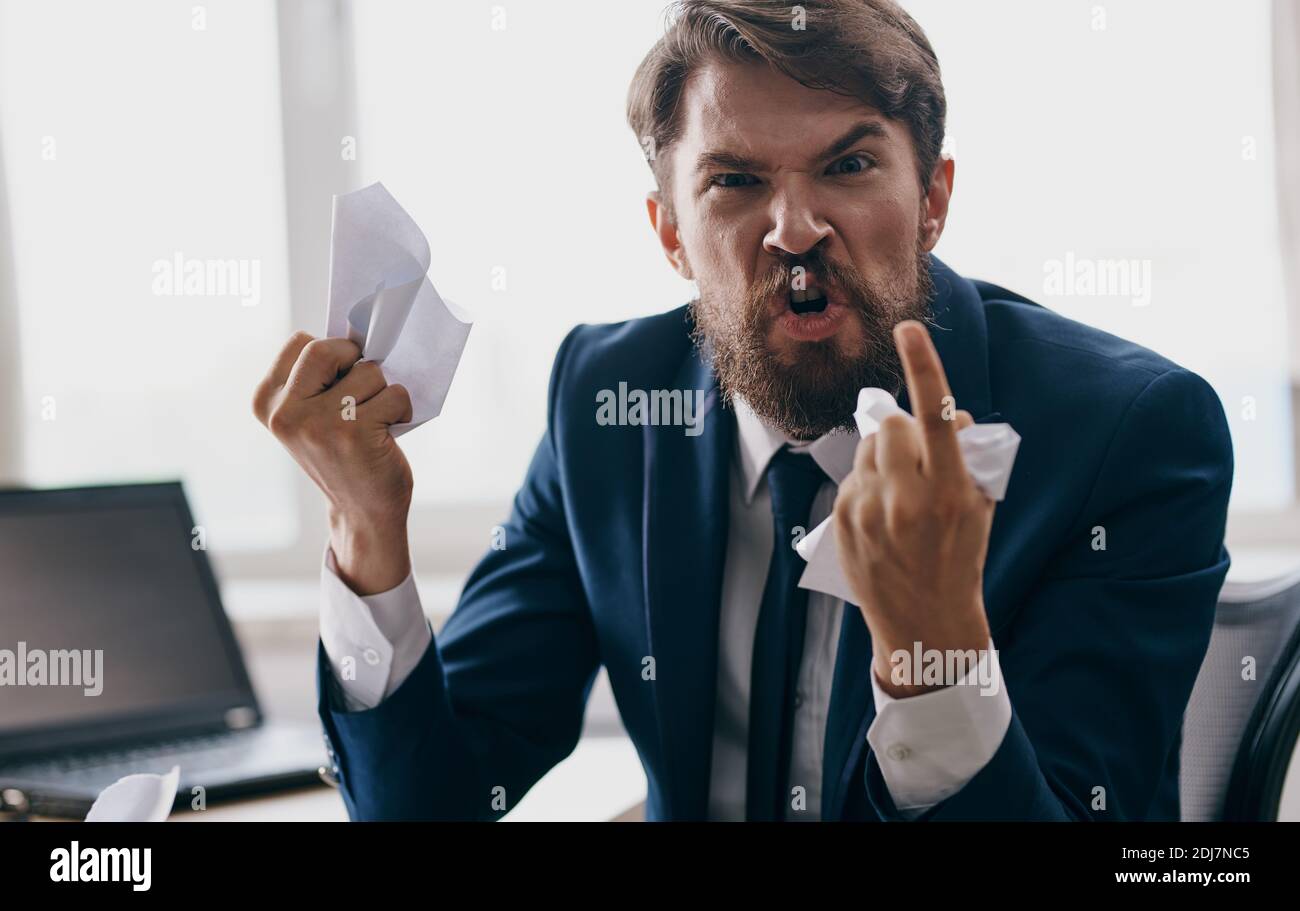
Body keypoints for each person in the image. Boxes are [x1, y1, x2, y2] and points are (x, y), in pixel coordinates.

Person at [252, 0, 1233, 821]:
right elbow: (434, 803)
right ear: (671, 233)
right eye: (735, 181)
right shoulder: (608, 402)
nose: (795, 230)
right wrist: (365, 529)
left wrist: (934, 652)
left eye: (848, 166)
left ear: (933, 199)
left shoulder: (1130, 434)